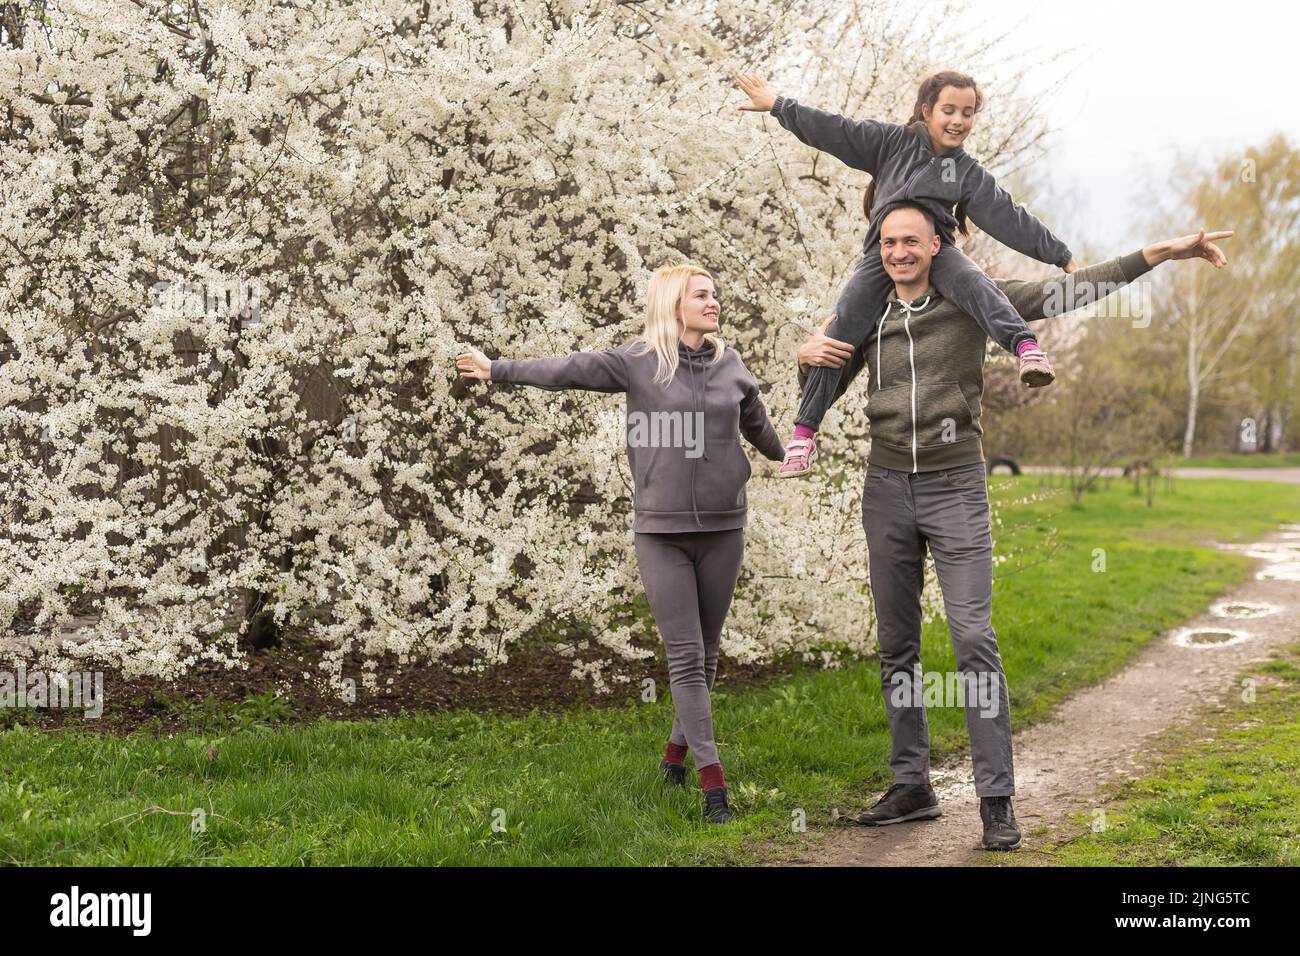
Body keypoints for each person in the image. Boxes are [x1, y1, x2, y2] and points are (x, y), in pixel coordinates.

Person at [794, 201, 1232, 849]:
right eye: (888, 243)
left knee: (973, 638)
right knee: (897, 644)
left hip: (955, 487)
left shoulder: (974, 297)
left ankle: (996, 799)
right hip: (885, 489)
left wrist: (1161, 253)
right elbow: (823, 383)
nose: (899, 253)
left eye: (911, 241)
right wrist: (805, 354)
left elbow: (1070, 289)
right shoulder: (867, 309)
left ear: (938, 244)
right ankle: (911, 785)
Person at [456, 264, 786, 824]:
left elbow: (758, 427)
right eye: (701, 295)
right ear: (673, 304)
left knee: (705, 656)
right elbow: (567, 369)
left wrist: (790, 451)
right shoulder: (639, 361)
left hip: (725, 529)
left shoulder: (732, 364)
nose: (714, 302)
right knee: (685, 657)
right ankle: (714, 787)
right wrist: (496, 369)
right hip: (661, 533)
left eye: (715, 294)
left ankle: (673, 762)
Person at [735, 71, 1076, 478]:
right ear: (928, 110)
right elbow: (835, 129)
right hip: (882, 255)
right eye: (948, 110)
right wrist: (778, 105)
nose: (958, 121)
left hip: (939, 253)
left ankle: (1026, 349)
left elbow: (1009, 217)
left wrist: (1062, 256)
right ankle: (804, 435)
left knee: (975, 284)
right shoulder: (891, 143)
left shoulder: (965, 172)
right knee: (839, 330)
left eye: (967, 113)